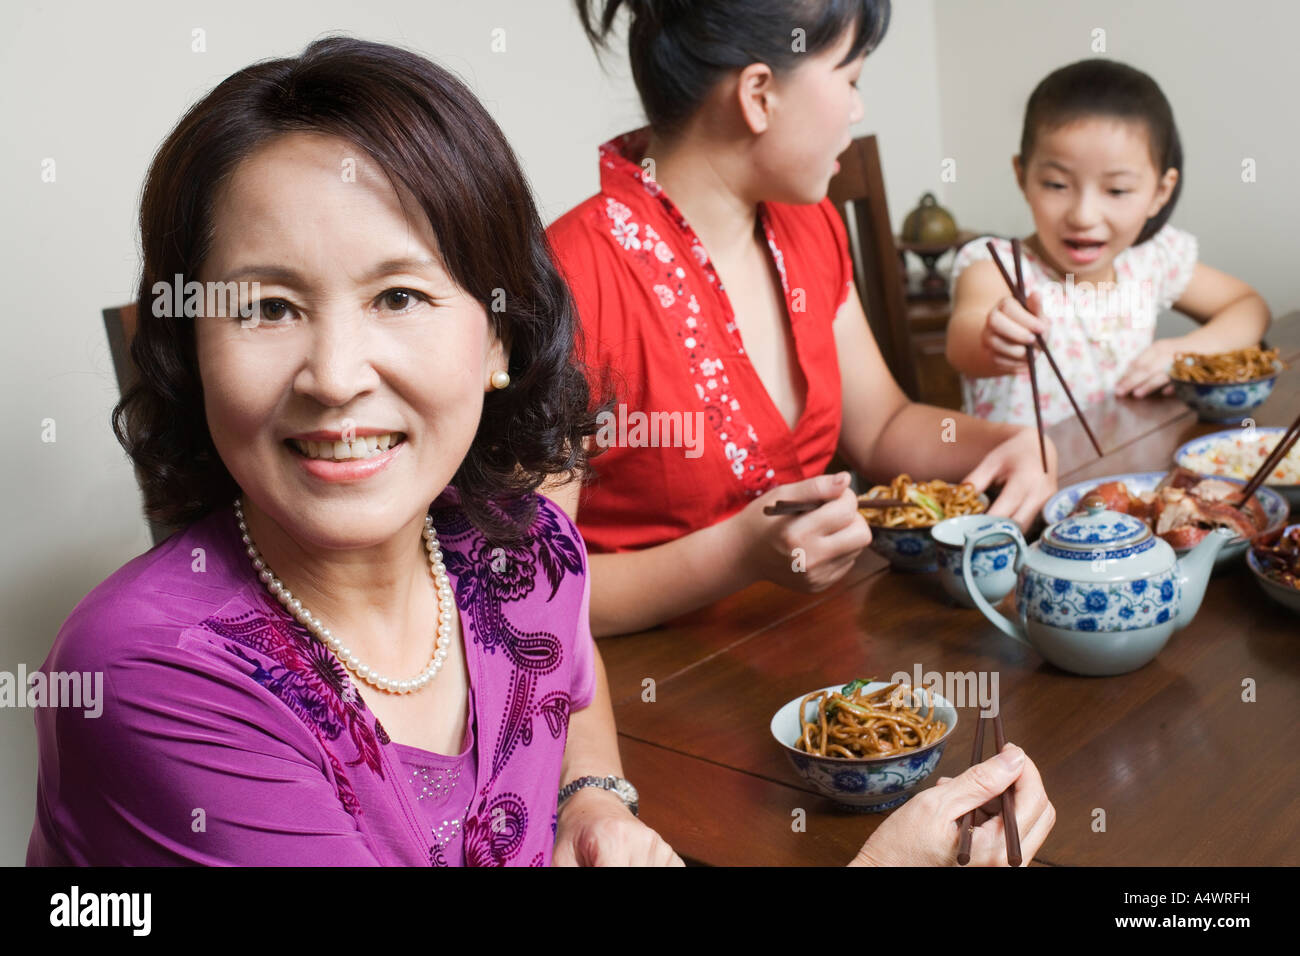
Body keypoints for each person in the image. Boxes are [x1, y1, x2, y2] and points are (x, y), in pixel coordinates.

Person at [26, 36, 680, 867]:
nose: (334, 378)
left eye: (398, 295)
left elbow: (568, 689)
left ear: (499, 339)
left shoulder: (527, 550)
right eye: (266, 306)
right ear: (190, 347)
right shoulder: (144, 675)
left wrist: (593, 801)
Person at [546, 0, 1059, 639]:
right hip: (648, 686)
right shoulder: (567, 282)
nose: (857, 109)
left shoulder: (806, 224)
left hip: (822, 644)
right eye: (851, 80)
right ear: (759, 95)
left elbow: (883, 428)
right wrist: (735, 555)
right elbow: (526, 589)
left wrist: (1005, 443)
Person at [945, 58, 1271, 426]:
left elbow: (1249, 306)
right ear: (1022, 176)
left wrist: (1185, 352)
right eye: (1056, 184)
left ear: (1160, 192)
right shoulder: (997, 268)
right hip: (1025, 480)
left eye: (1116, 190)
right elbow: (964, 342)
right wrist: (994, 339)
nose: (1084, 215)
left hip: (1129, 473)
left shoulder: (1150, 261)